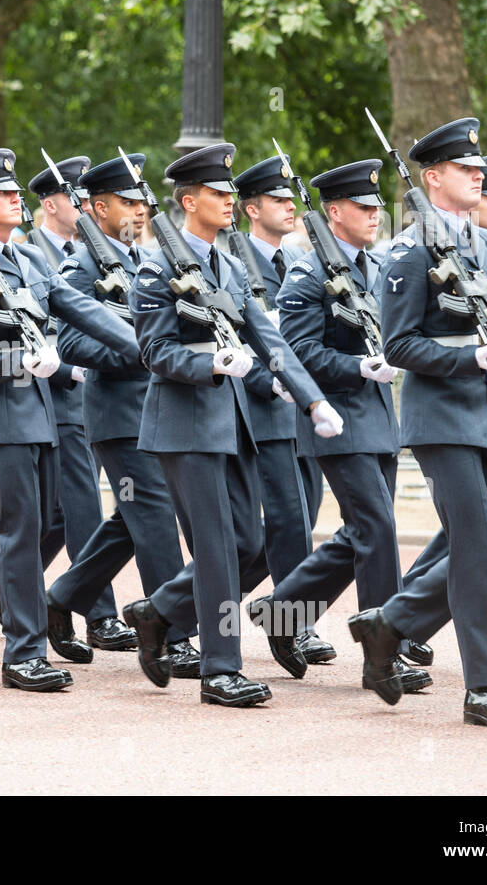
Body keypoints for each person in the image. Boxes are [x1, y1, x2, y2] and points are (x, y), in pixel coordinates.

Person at [351, 117, 487, 728]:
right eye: (467, 169)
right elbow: (399, 346)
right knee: (475, 546)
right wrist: (467, 356)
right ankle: (483, 688)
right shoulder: (408, 251)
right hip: (443, 419)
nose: (479, 176)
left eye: (480, 169)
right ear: (433, 177)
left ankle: (390, 625)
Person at [0, 148, 142, 692]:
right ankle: (23, 655)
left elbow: (78, 308)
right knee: (20, 531)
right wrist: (21, 361)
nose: (17, 197)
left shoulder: (29, 260)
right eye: (3, 192)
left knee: (34, 526)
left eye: (17, 190)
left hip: (37, 413)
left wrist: (141, 345)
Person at [120, 144, 340, 707]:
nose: (228, 201)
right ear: (188, 201)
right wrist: (210, 363)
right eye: (218, 194)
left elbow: (270, 339)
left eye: (229, 193)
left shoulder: (231, 264)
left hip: (234, 424)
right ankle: (222, 669)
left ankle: (159, 612)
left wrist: (313, 401)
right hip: (184, 425)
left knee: (248, 542)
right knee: (218, 546)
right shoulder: (155, 264)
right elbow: (153, 350)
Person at [247, 158, 428, 694]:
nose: (376, 215)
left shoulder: (375, 268)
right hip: (334, 417)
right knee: (377, 529)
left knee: (361, 533)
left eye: (377, 206)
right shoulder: (307, 273)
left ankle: (280, 613)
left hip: (377, 415)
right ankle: (383, 650)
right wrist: (355, 367)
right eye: (363, 207)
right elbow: (296, 353)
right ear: (333, 212)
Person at [41, 153, 195, 667]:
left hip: (154, 408)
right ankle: (171, 634)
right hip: (117, 411)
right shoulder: (81, 263)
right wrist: (140, 357)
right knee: (153, 516)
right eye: (126, 203)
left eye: (141, 202)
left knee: (133, 520)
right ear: (98, 206)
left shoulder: (140, 260)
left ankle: (61, 598)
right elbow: (69, 344)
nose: (138, 211)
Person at [230, 154, 331, 663]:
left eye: (292, 199)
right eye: (278, 199)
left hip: (301, 408)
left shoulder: (298, 263)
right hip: (258, 407)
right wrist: (267, 382)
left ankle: (173, 611)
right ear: (251, 209)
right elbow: (230, 338)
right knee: (287, 522)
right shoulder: (231, 260)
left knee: (300, 520)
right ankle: (294, 625)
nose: (291, 206)